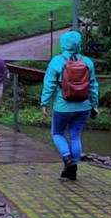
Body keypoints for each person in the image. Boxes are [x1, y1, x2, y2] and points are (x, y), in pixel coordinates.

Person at [40, 30, 99, 180]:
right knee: (75, 136)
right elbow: (93, 86)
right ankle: (74, 167)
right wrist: (95, 105)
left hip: (63, 106)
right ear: (79, 44)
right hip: (83, 106)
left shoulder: (57, 61)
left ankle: (68, 160)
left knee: (57, 133)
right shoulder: (87, 62)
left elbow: (49, 84)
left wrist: (45, 103)